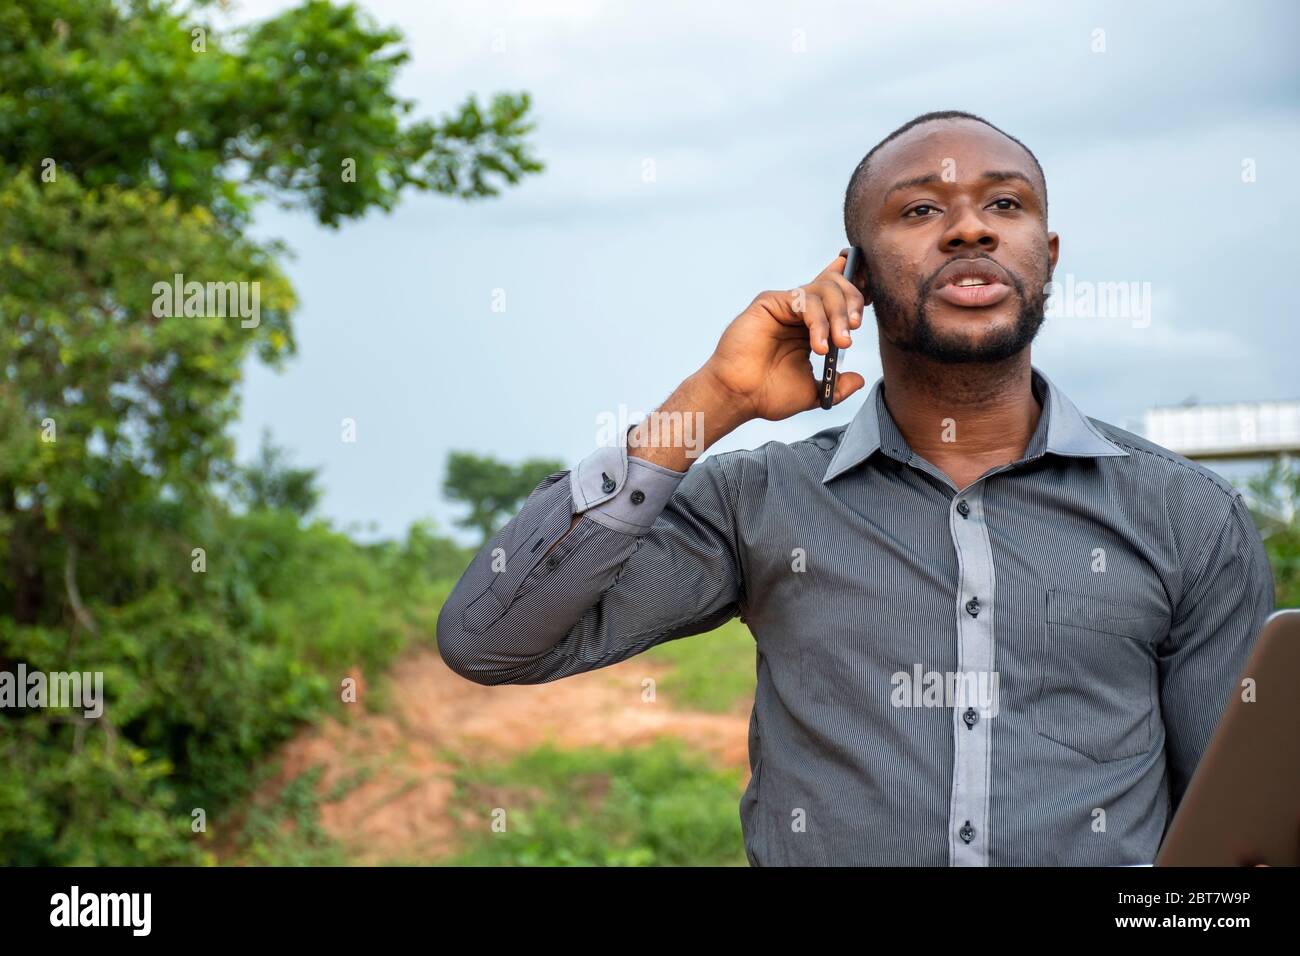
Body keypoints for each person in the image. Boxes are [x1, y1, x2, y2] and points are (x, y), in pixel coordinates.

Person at [436, 111, 1276, 866]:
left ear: (1047, 258)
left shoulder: (1188, 519)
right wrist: (713, 399)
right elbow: (492, 640)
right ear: (857, 277)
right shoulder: (759, 504)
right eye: (919, 211)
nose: (968, 231)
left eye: (1006, 205)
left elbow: (1238, 833)